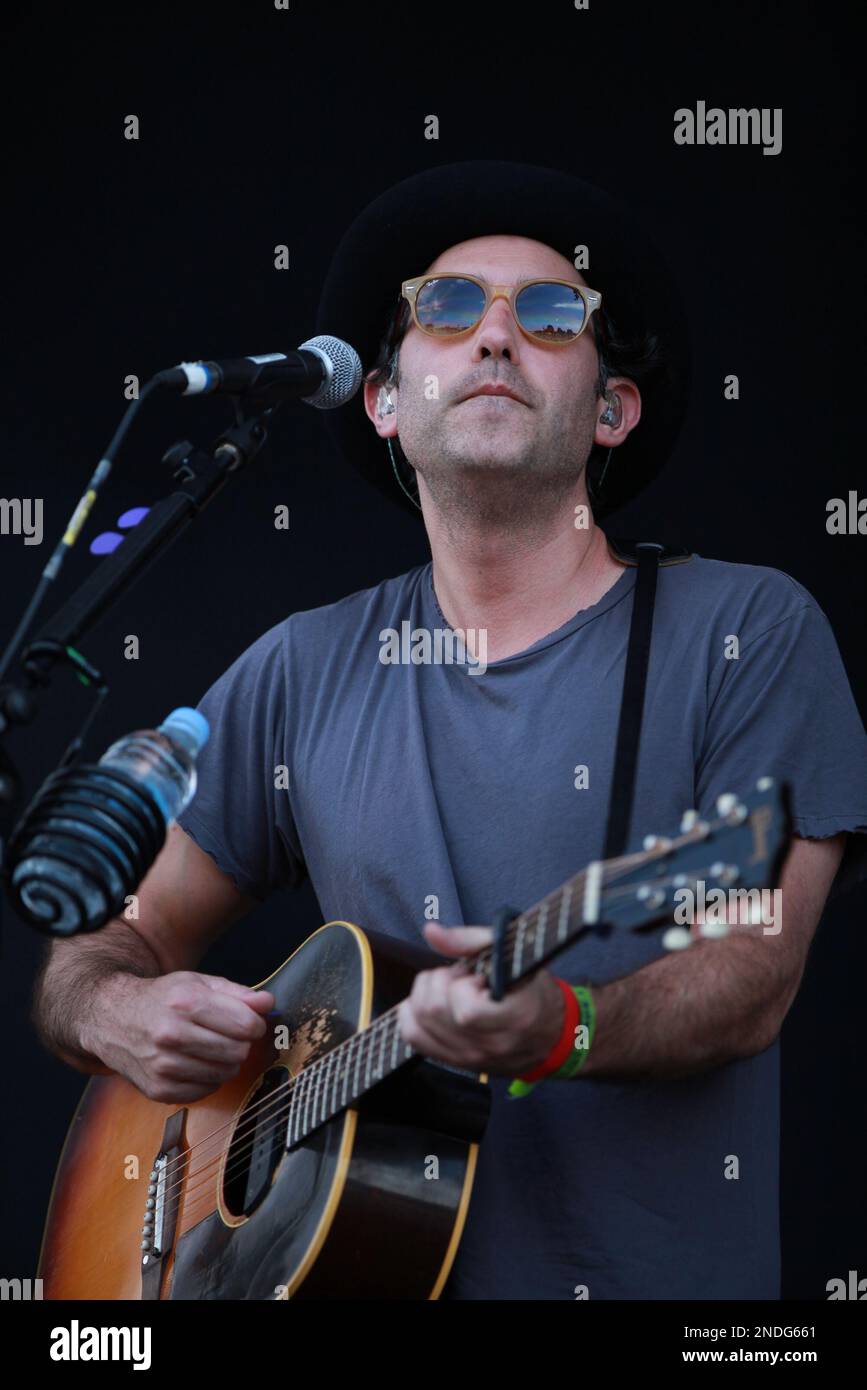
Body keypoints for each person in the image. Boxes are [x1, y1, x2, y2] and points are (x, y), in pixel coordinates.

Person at [33, 161, 867, 1300]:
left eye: (555, 314)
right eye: (448, 306)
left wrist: (562, 1027)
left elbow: (751, 974)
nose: (496, 339)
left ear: (612, 408)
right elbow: (98, 945)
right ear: (382, 397)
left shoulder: (748, 631)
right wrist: (120, 1008)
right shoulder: (301, 667)